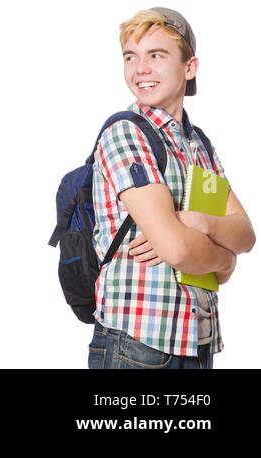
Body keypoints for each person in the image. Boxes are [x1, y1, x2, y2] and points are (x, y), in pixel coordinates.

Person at [87, 7, 254, 369]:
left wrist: (199, 223)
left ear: (189, 67)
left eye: (156, 55)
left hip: (198, 343)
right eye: (131, 57)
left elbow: (245, 234)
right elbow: (177, 250)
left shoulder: (199, 145)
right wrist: (224, 259)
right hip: (137, 345)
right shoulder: (126, 132)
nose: (140, 69)